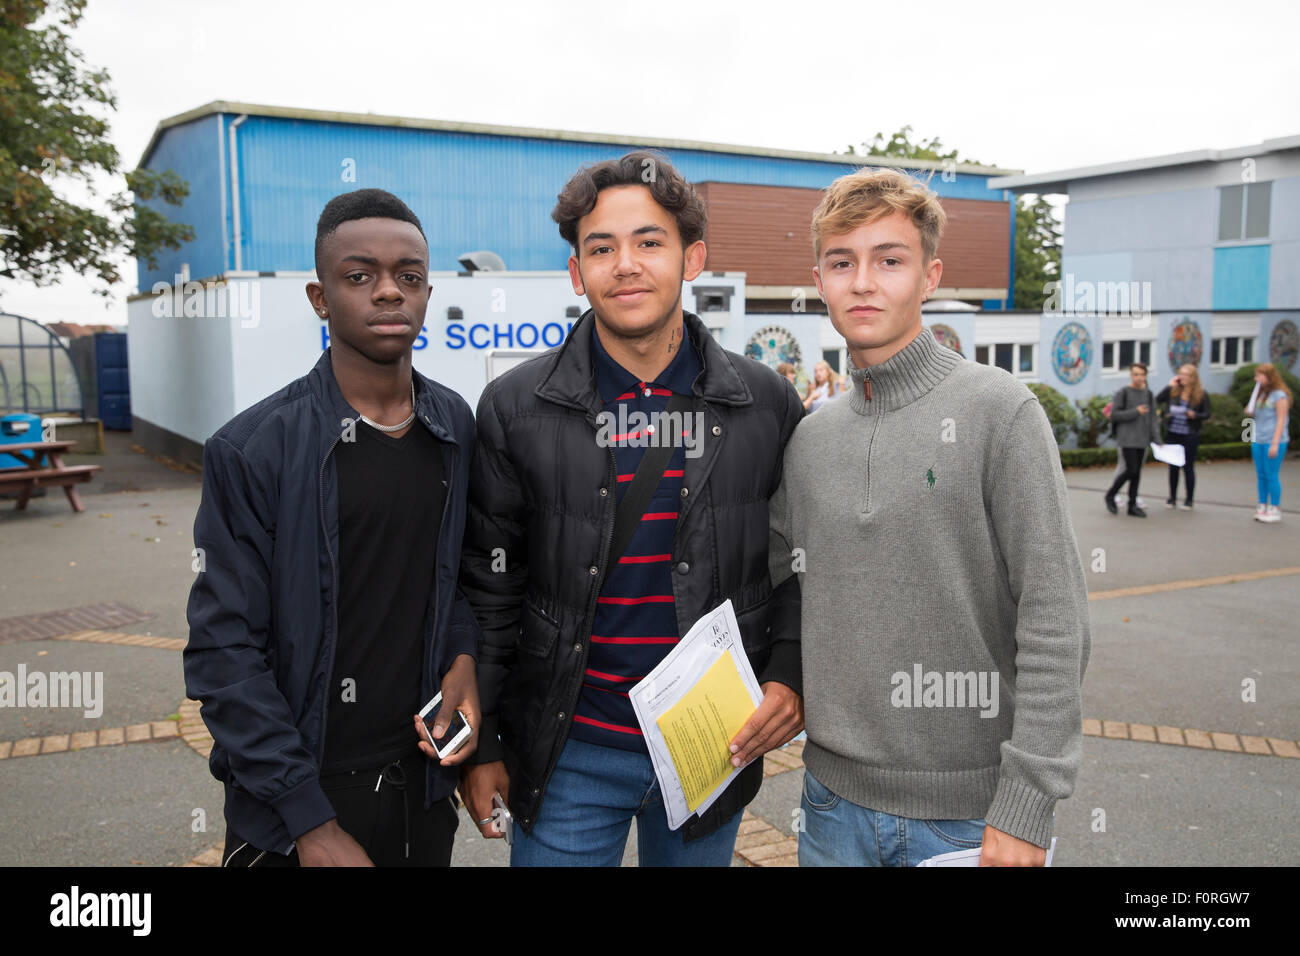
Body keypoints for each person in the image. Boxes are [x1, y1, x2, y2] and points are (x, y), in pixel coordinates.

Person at [457, 151, 805, 866]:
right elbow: (492, 587)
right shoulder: (517, 408)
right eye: (601, 247)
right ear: (576, 272)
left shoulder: (763, 403)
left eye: (649, 242)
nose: (626, 264)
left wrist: (791, 674)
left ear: (692, 256)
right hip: (570, 751)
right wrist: (486, 740)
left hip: (714, 747)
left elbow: (800, 565)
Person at [770, 167, 1090, 866]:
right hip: (829, 809)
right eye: (841, 262)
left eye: (890, 260)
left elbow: (1055, 617)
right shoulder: (809, 440)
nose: (862, 282)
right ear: (818, 280)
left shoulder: (1001, 413)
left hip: (971, 823)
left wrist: (1027, 805)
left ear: (930, 276)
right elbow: (781, 595)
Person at [186, 189, 482, 867]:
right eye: (360, 276)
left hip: (418, 795)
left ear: (428, 294)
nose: (387, 293)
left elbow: (461, 578)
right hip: (297, 806)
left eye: (408, 277)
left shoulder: (454, 427)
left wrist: (464, 661)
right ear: (321, 299)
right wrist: (307, 822)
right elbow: (223, 651)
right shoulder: (254, 448)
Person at [1104, 362, 1161, 517]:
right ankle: (1111, 494)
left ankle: (1132, 504)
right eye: (1135, 374)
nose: (1138, 377)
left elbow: (1153, 418)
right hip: (1127, 438)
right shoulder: (1123, 392)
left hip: (1142, 438)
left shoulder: (1148, 395)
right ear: (1131, 375)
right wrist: (1135, 411)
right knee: (1131, 469)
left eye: (1141, 374)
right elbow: (1114, 415)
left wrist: (1157, 439)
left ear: (1145, 376)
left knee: (1137, 473)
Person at [1156, 364, 1210, 509]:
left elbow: (1207, 414)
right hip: (1173, 433)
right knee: (1173, 467)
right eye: (1181, 374)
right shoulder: (1173, 392)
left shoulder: (1201, 394)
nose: (1182, 377)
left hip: (1190, 434)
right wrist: (1169, 387)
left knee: (1188, 467)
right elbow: (1157, 400)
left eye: (1186, 375)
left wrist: (1195, 415)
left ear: (1193, 378)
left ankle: (1189, 499)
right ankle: (1172, 497)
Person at [1245, 362, 1292, 523]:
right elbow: (1252, 414)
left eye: (1259, 375)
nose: (1256, 378)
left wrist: (1275, 443)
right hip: (1258, 438)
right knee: (1261, 474)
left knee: (1271, 474)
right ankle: (1262, 504)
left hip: (1274, 440)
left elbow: (1281, 421)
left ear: (1269, 377)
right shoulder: (1260, 393)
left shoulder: (1280, 396)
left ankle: (1275, 507)